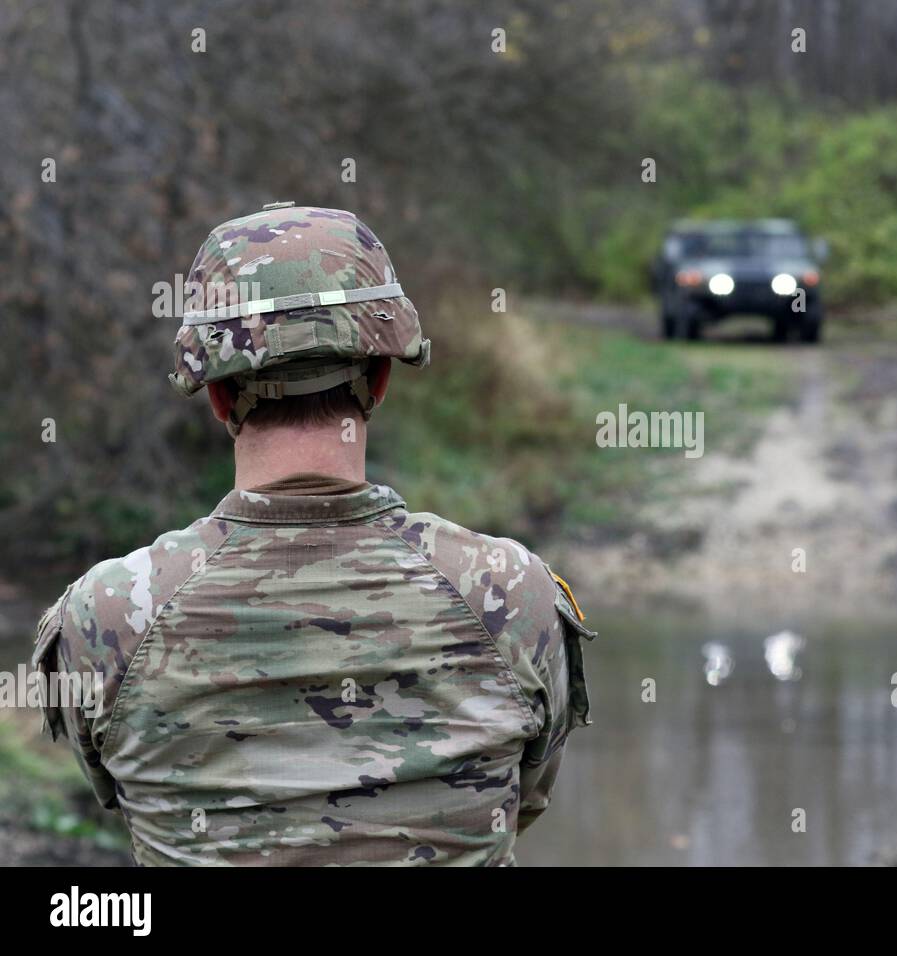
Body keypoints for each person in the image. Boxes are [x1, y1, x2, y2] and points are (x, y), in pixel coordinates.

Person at [32, 203, 594, 865]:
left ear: (217, 397)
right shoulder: (511, 595)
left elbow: (120, 796)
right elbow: (522, 800)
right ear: (380, 379)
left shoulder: (106, 617)